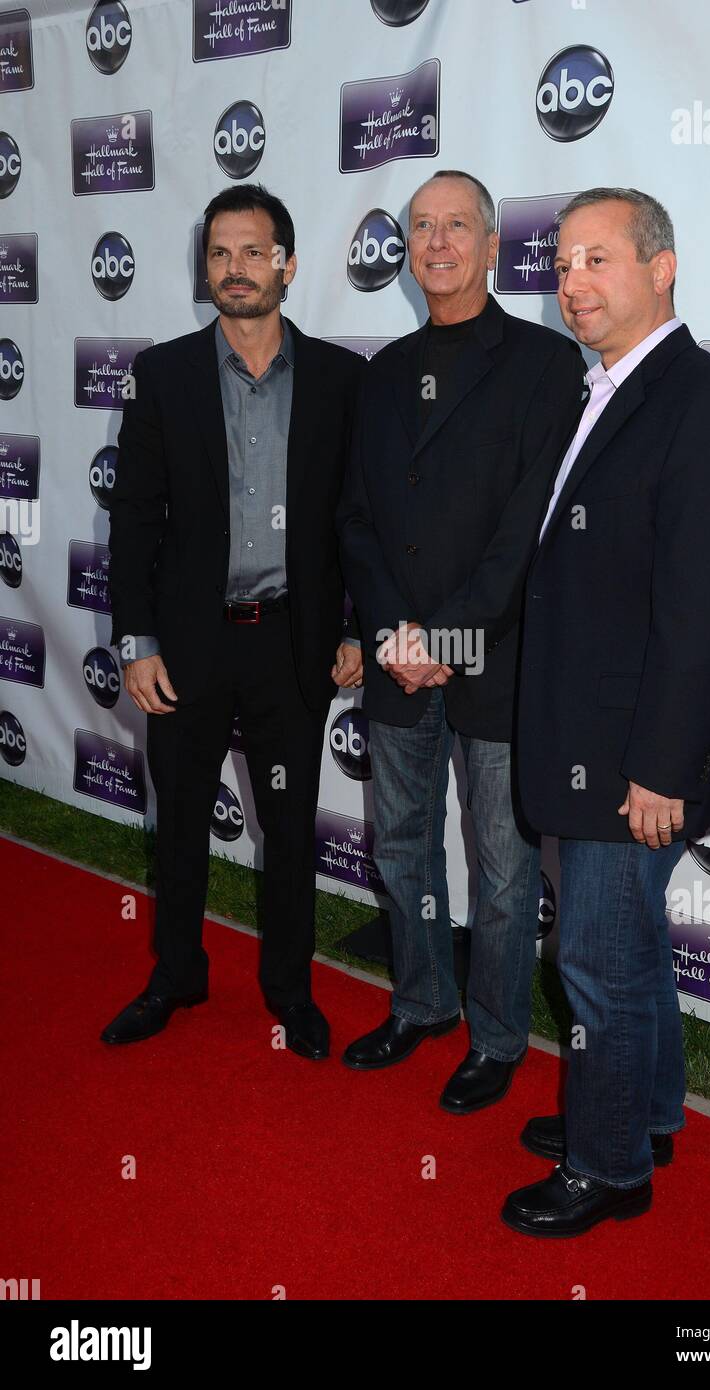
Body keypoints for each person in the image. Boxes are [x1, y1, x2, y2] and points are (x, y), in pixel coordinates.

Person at [503, 188, 710, 1236]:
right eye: (564, 262)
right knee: (629, 951)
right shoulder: (608, 390)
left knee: (597, 967)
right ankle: (649, 1112)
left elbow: (704, 607)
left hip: (633, 758)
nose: (573, 281)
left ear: (662, 268)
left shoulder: (704, 401)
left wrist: (661, 768)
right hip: (588, 743)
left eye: (598, 259)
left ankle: (608, 1164)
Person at [337, 170, 585, 1113]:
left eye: (457, 227)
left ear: (491, 247)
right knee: (401, 843)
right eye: (420, 227)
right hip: (403, 657)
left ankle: (495, 1037)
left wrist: (445, 636)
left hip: (495, 659)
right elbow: (356, 519)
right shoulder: (384, 371)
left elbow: (528, 527)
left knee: (502, 861)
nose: (436, 242)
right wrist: (399, 633)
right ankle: (420, 1003)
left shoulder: (543, 364)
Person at [102, 183, 363, 1059]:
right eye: (219, 254)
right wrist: (135, 641)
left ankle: (291, 987)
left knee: (289, 830)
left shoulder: (339, 379)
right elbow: (134, 517)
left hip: (291, 643)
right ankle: (176, 973)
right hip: (189, 645)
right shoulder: (164, 373)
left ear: (287, 263)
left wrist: (357, 629)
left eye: (253, 252)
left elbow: (356, 525)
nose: (235, 269)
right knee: (179, 816)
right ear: (203, 267)